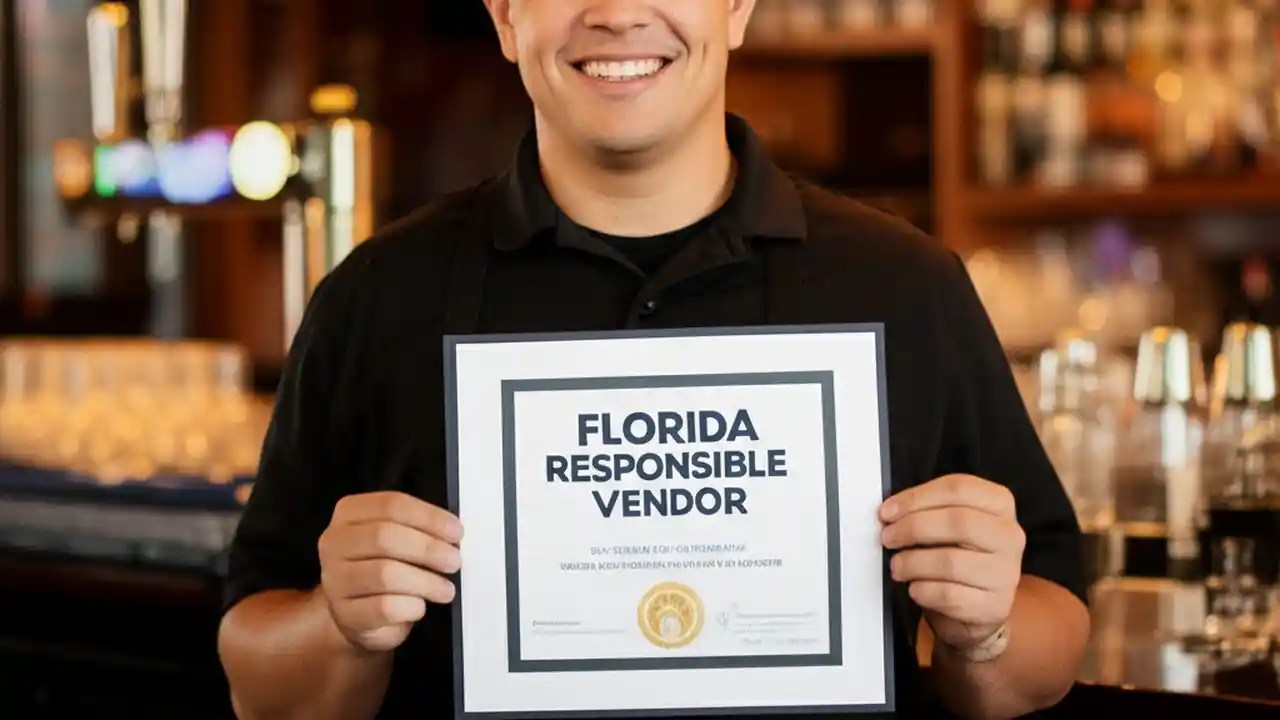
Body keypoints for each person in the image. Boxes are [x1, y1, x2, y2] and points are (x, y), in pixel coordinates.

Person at [216, 1, 1090, 718]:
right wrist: (341, 625)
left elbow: (1048, 645)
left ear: (738, 7)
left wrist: (987, 631)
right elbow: (259, 683)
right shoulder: (378, 297)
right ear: (503, 16)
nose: (618, 14)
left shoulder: (906, 286)